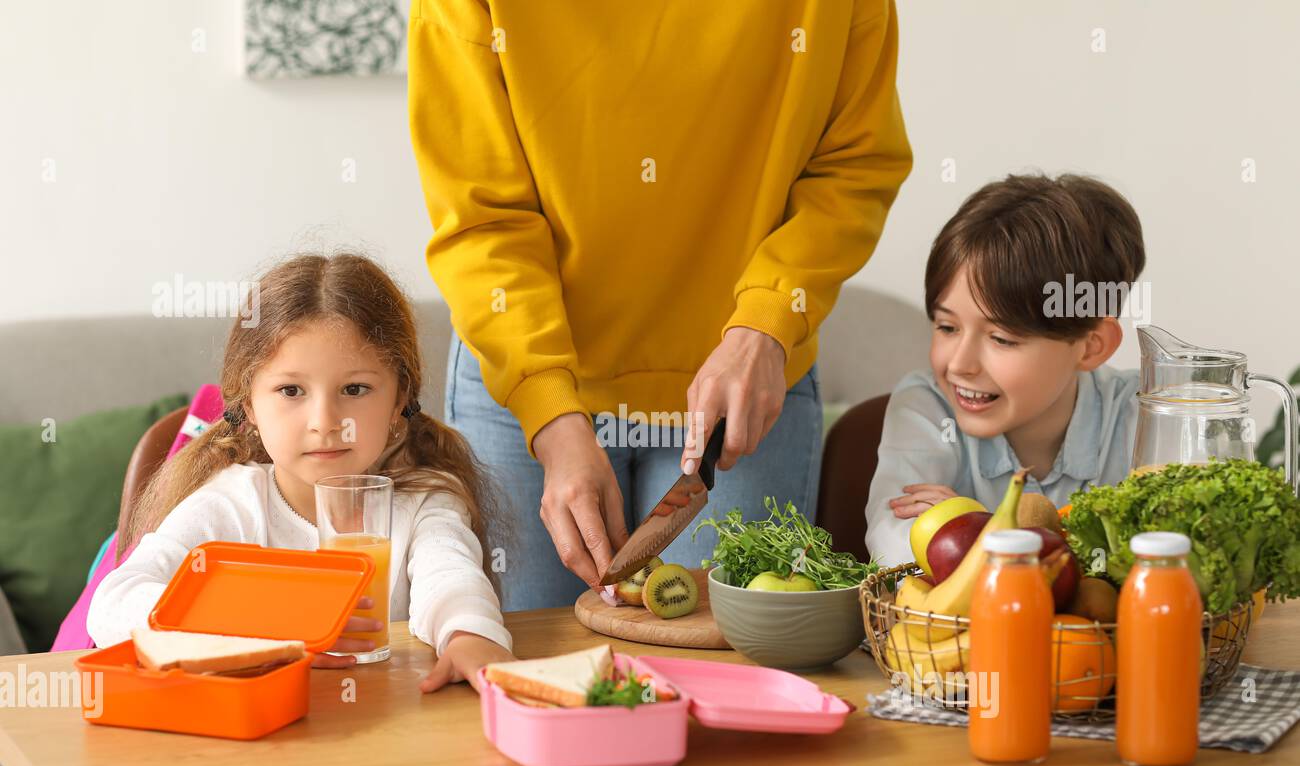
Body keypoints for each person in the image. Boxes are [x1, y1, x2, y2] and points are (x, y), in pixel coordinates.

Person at [408, 0, 912, 609]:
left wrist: (765, 325)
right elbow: (481, 213)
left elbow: (854, 165)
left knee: (724, 677)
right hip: (526, 388)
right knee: (529, 667)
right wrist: (550, 412)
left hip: (745, 390)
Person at [87, 254, 515, 693]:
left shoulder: (425, 500)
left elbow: (451, 578)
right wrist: (269, 628)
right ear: (249, 406)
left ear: (398, 398)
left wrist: (470, 636)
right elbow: (114, 605)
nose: (324, 421)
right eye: (291, 390)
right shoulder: (230, 506)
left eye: (354, 389)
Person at [865, 173, 1146, 567]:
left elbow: (1178, 556)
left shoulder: (1146, 417)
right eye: (947, 327)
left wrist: (980, 530)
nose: (960, 364)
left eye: (1001, 339)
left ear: (1089, 345)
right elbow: (896, 552)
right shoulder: (926, 406)